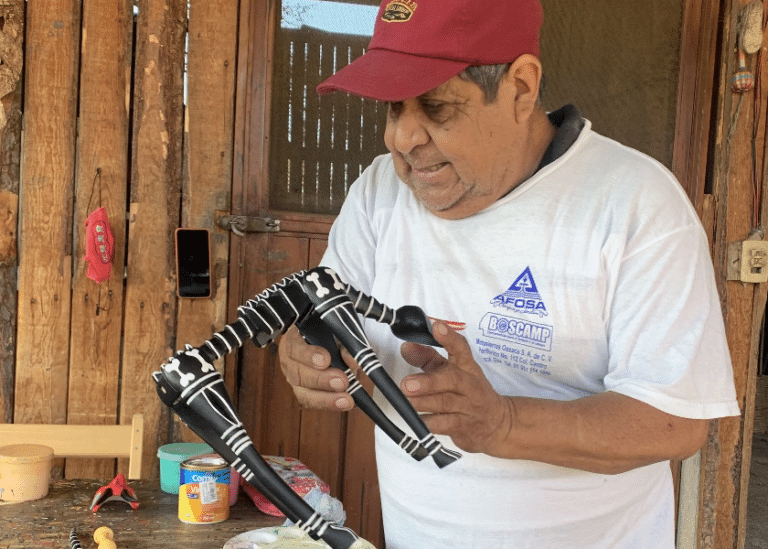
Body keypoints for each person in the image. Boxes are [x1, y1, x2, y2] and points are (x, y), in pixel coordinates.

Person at [277, 0, 741, 547]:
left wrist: (502, 424)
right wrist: (309, 352)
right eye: (394, 108)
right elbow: (326, 316)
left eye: (436, 107)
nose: (402, 139)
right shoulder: (381, 192)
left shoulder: (634, 204)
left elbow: (675, 422)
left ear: (521, 88)